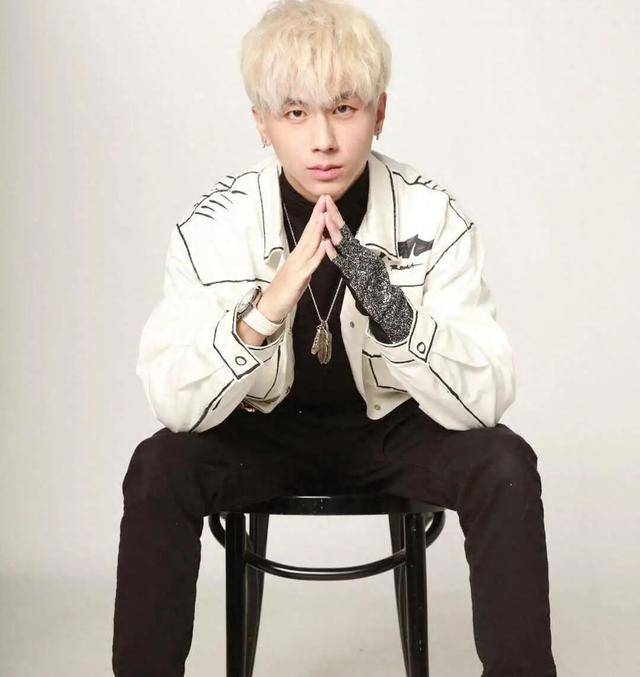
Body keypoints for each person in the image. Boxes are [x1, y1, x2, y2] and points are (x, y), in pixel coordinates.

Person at [111, 1, 557, 675]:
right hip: (263, 433)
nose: (323, 139)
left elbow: (487, 397)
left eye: (344, 109)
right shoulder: (214, 226)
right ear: (261, 123)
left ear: (380, 112)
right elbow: (174, 404)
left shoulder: (433, 214)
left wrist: (393, 313)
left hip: (394, 431)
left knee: (505, 462)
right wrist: (265, 311)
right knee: (157, 467)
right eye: (296, 113)